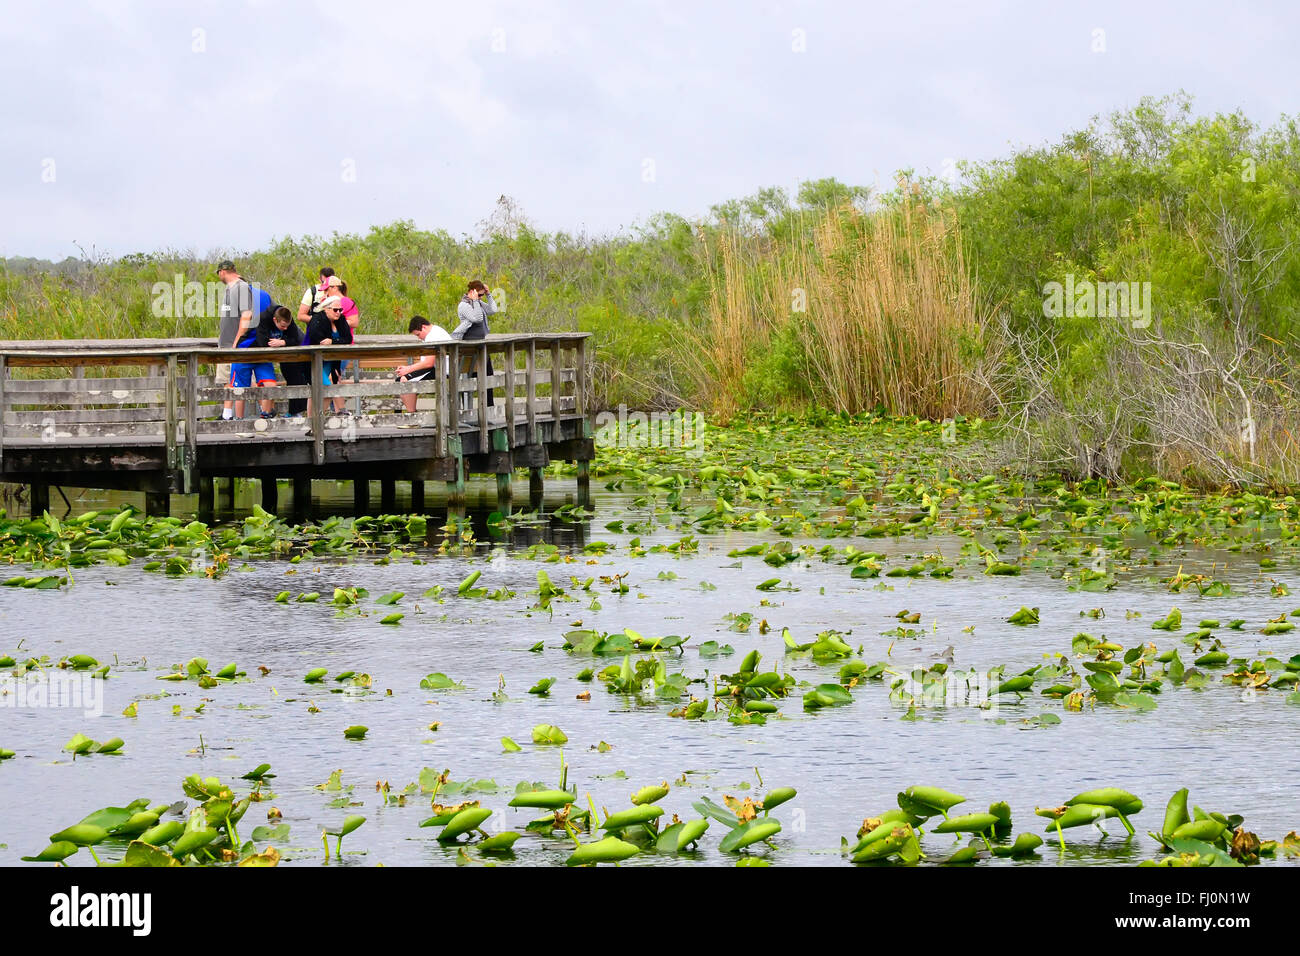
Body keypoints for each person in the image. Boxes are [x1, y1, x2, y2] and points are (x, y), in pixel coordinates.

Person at [216, 260, 268, 419]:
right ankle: (226, 415)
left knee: (246, 381)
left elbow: (247, 315)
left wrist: (237, 342)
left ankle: (266, 412)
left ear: (222, 272)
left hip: (236, 344)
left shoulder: (242, 287)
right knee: (228, 380)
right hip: (225, 343)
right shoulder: (229, 289)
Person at [451, 280, 496, 409]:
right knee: (471, 380)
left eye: (482, 295)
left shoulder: (478, 303)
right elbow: (477, 318)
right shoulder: (464, 305)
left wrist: (488, 295)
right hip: (469, 347)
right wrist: (476, 301)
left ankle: (489, 409)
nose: (480, 297)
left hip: (481, 347)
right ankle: (467, 410)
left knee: (488, 378)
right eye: (479, 294)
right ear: (472, 292)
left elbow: (493, 310)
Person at [305, 295, 353, 416]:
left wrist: (332, 341)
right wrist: (334, 341)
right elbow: (318, 338)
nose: (338, 313)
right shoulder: (317, 319)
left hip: (332, 360)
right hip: (315, 360)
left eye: (340, 310)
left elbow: (348, 339)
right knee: (326, 388)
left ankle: (316, 420)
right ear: (326, 309)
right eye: (335, 310)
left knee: (327, 389)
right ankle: (315, 420)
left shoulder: (341, 320)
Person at [395, 315, 452, 413]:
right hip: (443, 368)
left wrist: (408, 369)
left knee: (404, 380)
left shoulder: (432, 336)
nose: (419, 338)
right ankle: (412, 415)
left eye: (418, 334)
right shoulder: (436, 331)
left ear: (423, 327)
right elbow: (426, 363)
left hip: (442, 370)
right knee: (401, 379)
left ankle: (413, 416)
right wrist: (408, 369)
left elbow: (429, 363)